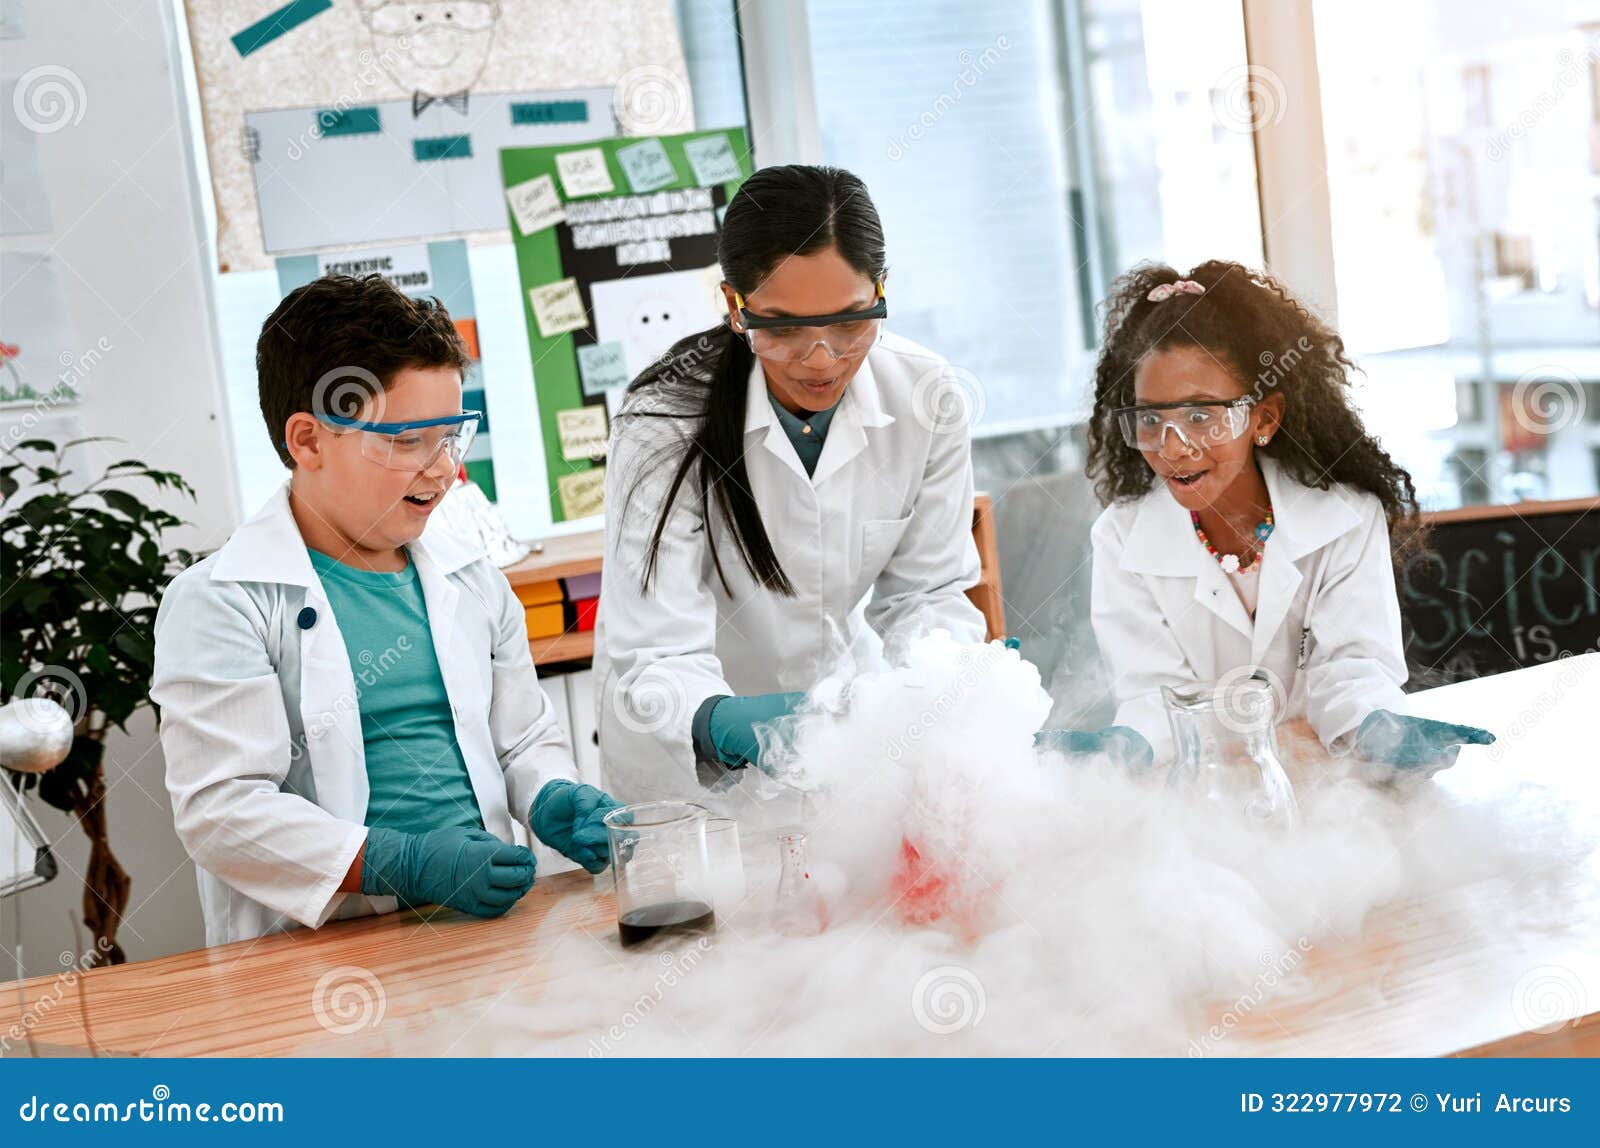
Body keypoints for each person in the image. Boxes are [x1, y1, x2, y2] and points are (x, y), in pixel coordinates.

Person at [152, 275, 621, 946]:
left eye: (451, 437)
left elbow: (520, 739)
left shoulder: (472, 577)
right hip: (325, 953)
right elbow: (223, 813)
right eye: (408, 442)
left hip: (488, 926)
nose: (444, 471)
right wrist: (394, 863)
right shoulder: (223, 601)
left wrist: (550, 794)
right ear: (308, 441)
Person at [595, 164, 989, 802]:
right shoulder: (661, 423)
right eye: (783, 329)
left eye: (850, 322)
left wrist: (948, 679)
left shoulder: (926, 396)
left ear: (881, 291)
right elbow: (655, 648)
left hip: (844, 738)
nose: (821, 357)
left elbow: (927, 593)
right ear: (735, 307)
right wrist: (717, 720)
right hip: (696, 772)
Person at [1043, 260, 1493, 775]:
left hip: (1338, 787)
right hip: (1209, 791)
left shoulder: (1344, 517)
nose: (1173, 447)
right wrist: (1127, 745)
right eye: (1151, 419)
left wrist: (1378, 728)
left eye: (1199, 416)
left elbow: (1352, 670)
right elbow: (1154, 698)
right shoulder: (1122, 539)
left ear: (1263, 418)